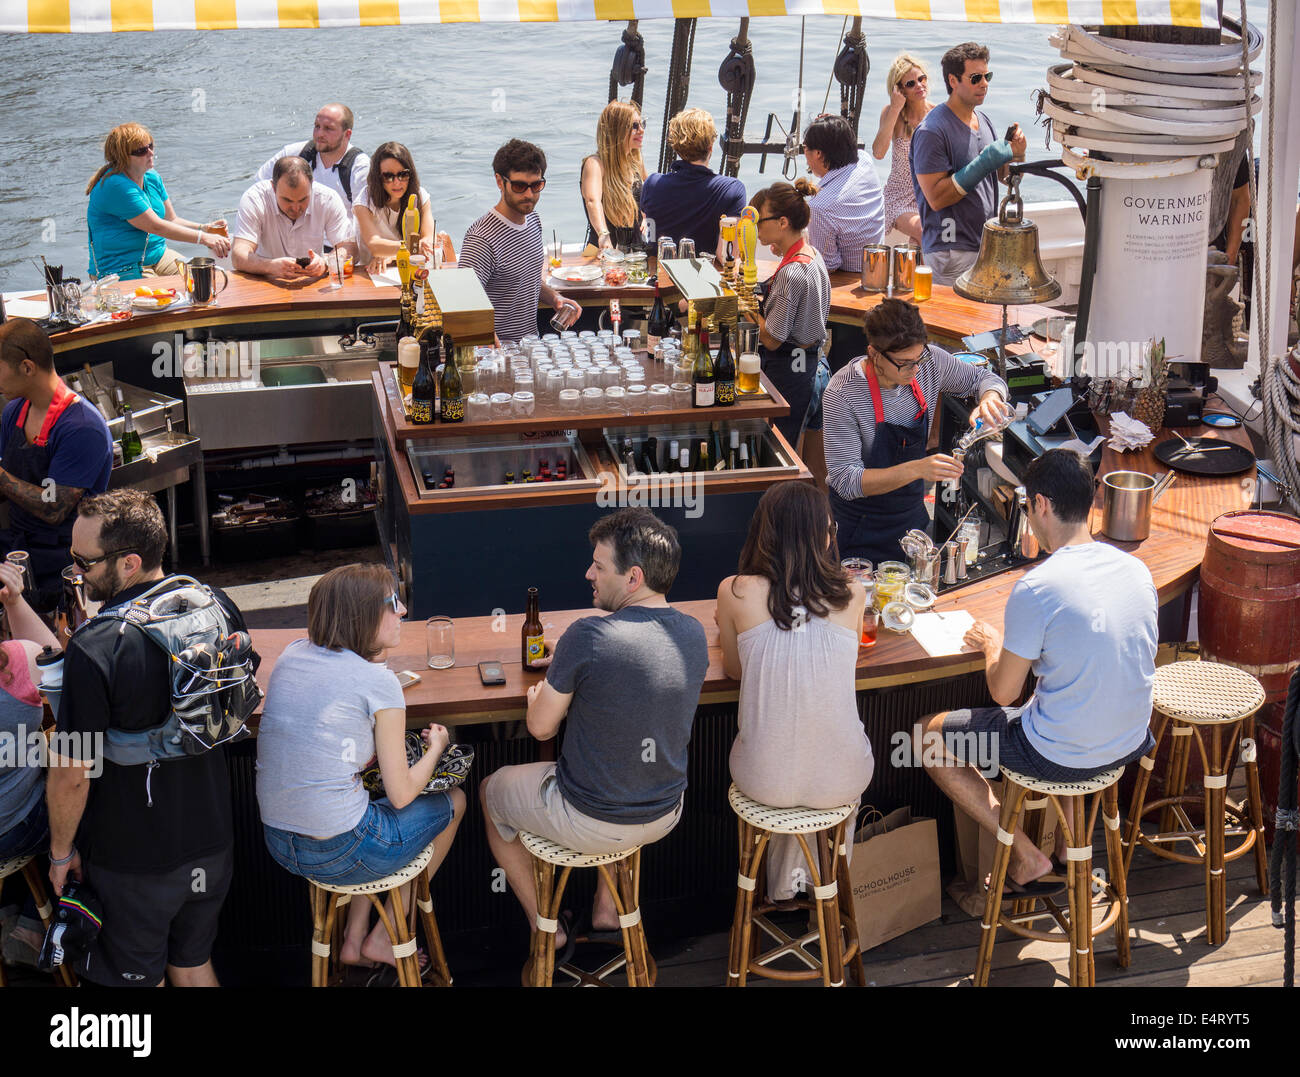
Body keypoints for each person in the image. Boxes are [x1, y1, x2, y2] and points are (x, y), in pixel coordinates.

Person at [917, 450, 1158, 893]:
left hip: (1061, 756)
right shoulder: (1137, 571)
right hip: (1130, 742)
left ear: (1042, 505)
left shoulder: (1037, 586)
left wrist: (992, 644)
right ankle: (1069, 853)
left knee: (926, 738)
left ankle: (1027, 857)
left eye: (1027, 506)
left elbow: (1003, 693)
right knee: (1058, 702)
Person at [47, 490, 255, 986]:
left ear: (129, 563)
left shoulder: (96, 646)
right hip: (212, 842)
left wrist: (60, 854)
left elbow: (72, 773)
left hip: (133, 861)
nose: (75, 572)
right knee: (192, 964)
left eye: (84, 561)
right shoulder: (217, 607)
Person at [480, 508, 708, 953]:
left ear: (633, 578)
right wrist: (575, 658)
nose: (588, 573)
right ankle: (606, 908)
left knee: (490, 792)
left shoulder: (587, 636)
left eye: (599, 566)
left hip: (589, 819)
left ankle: (547, 927)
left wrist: (544, 690)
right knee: (629, 767)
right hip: (664, 813)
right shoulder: (694, 633)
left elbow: (540, 725)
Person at [257, 563, 464, 978]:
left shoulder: (294, 653)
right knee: (451, 802)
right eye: (393, 602)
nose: (403, 610)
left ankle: (353, 941)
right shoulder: (378, 681)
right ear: (363, 615)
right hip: (340, 850)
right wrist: (437, 746)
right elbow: (403, 793)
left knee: (367, 803)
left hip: (279, 843)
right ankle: (386, 936)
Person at [716, 482, 874, 901]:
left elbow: (733, 669)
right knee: (813, 750)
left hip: (762, 781)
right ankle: (820, 891)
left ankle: (785, 890)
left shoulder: (736, 591)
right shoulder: (853, 594)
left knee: (783, 751)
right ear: (824, 533)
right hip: (841, 779)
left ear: (763, 532)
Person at [822, 298, 1009, 565]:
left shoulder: (929, 362)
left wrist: (990, 398)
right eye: (905, 363)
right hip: (859, 530)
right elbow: (846, 481)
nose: (916, 369)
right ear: (874, 354)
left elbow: (984, 379)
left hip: (911, 525)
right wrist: (918, 469)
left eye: (919, 358)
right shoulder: (843, 393)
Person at [0, 319, 113, 608]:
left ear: (27, 367)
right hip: (17, 544)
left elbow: (54, 508)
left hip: (65, 557)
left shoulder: (82, 427)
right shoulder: (15, 411)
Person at [910, 42, 1027, 286]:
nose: (984, 84)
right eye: (975, 78)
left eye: (987, 76)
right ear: (953, 81)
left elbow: (1004, 178)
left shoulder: (983, 120)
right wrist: (983, 163)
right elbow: (936, 198)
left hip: (983, 245)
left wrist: (1017, 156)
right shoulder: (932, 131)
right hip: (951, 250)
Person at [460, 140, 581, 345]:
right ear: (500, 181)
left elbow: (525, 279)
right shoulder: (481, 239)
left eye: (536, 185)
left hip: (530, 350)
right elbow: (463, 304)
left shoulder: (533, 221)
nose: (529, 194)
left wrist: (554, 297)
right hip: (496, 358)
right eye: (519, 186)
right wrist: (490, 347)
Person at [749, 182, 831, 466]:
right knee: (814, 465)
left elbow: (772, 338)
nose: (755, 228)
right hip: (816, 368)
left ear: (782, 222)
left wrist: (745, 306)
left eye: (759, 221)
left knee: (781, 461)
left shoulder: (792, 273)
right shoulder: (812, 256)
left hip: (792, 375)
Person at [85, 123, 230, 280]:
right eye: (141, 151)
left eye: (150, 146)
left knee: (207, 280)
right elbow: (156, 226)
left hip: (158, 256)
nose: (150, 152)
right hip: (121, 267)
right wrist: (204, 238)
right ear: (123, 158)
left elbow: (171, 219)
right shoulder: (115, 186)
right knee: (164, 299)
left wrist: (205, 228)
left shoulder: (152, 177)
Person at [639, 108, 748, 259]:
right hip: (702, 278)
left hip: (658, 275)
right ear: (710, 146)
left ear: (677, 148)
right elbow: (726, 256)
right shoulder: (732, 189)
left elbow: (649, 236)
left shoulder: (652, 184)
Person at [232, 157, 356, 281]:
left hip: (313, 284)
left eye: (303, 199)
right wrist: (269, 266)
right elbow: (238, 255)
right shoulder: (255, 199)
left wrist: (326, 263)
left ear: (312, 185)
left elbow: (350, 248)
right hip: (267, 281)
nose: (296, 208)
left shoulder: (327, 198)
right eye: (287, 200)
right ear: (273, 188)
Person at [353, 141, 454, 275]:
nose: (397, 182)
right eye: (388, 176)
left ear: (410, 174)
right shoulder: (364, 202)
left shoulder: (421, 197)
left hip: (412, 269)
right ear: (377, 177)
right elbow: (375, 245)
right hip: (375, 273)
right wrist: (412, 247)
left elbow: (428, 240)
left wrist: (391, 255)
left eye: (403, 174)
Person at [803, 113, 887, 274]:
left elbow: (827, 265)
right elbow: (843, 142)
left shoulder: (820, 206)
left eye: (805, 147)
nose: (804, 153)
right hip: (876, 268)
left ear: (818, 153)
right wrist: (834, 125)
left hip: (847, 278)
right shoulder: (864, 161)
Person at [255, 104, 370, 215]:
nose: (319, 134)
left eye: (328, 128)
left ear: (347, 134)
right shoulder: (295, 154)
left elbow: (365, 218)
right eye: (317, 126)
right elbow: (259, 187)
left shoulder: (360, 167)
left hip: (342, 233)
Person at [871, 53, 935, 245]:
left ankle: (915, 276)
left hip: (928, 196)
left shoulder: (937, 114)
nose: (919, 85)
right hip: (898, 197)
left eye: (921, 79)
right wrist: (895, 108)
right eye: (911, 84)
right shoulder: (891, 113)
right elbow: (879, 153)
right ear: (899, 90)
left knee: (918, 242)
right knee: (925, 232)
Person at [581, 100, 648, 252]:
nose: (641, 130)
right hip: (602, 251)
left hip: (635, 252)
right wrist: (603, 235)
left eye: (642, 123)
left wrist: (646, 215)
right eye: (634, 126)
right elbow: (592, 201)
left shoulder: (636, 161)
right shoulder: (595, 164)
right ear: (617, 130)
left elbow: (649, 193)